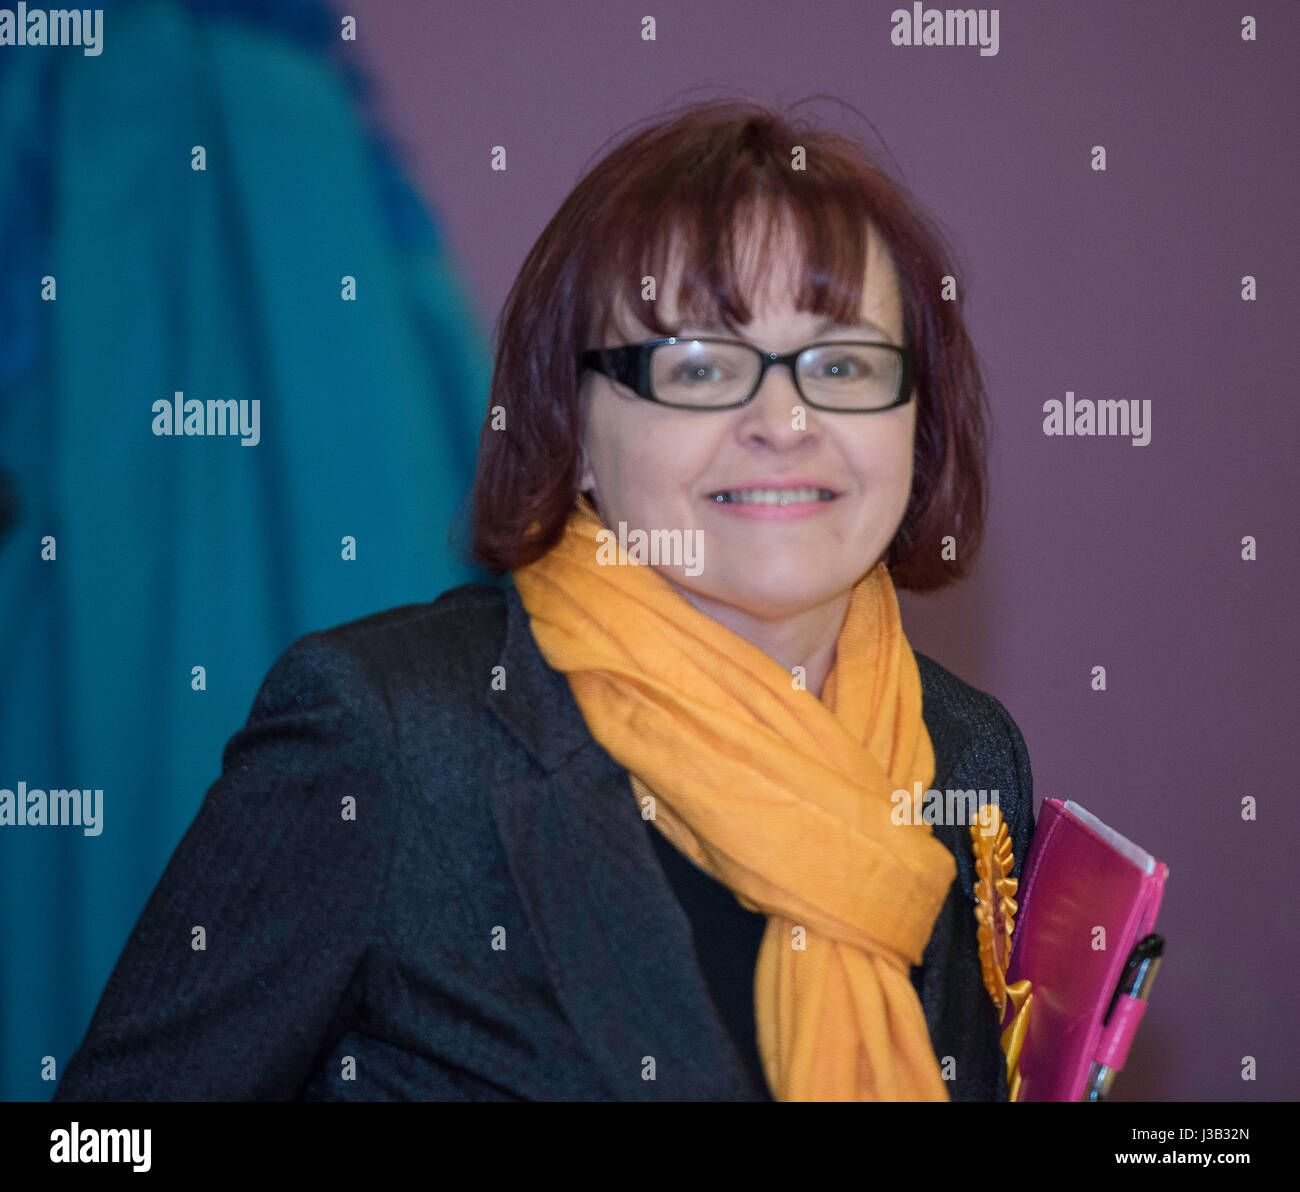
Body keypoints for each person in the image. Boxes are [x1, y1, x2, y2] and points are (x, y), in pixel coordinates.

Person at [53, 96, 1035, 1103]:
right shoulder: (383, 733)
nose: (783, 421)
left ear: (914, 417)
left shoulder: (966, 751)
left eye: (840, 363)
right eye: (697, 366)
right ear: (573, 425)